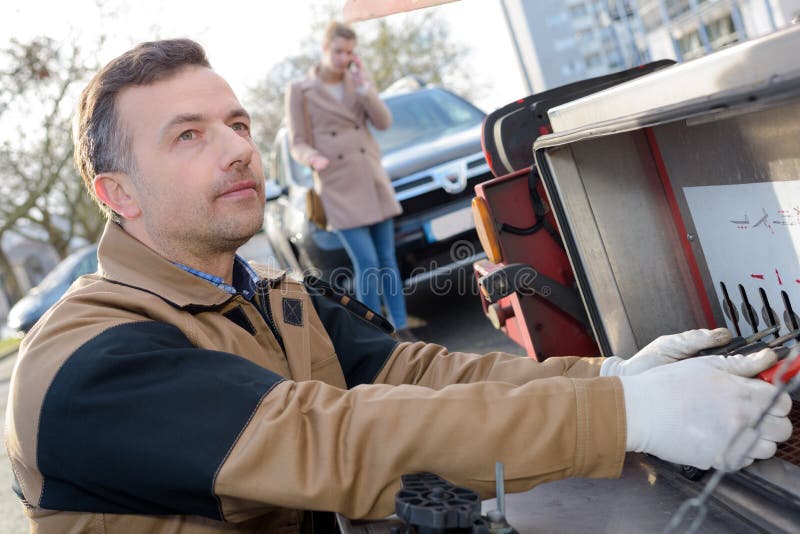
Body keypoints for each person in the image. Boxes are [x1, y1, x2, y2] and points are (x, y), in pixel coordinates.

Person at [5, 38, 791, 534]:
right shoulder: (89, 361)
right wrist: (624, 416)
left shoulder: (268, 291)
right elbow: (333, 438)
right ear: (119, 195)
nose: (237, 150)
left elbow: (419, 371)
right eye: (189, 135)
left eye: (238, 124)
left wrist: (610, 376)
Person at [285, 21, 414, 341]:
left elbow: (383, 122)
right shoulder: (301, 90)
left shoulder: (358, 80)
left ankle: (401, 326)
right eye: (339, 51)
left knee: (387, 258)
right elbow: (296, 142)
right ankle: (372, 332)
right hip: (337, 184)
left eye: (351, 52)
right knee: (367, 261)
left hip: (371, 178)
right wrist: (313, 157)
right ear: (325, 49)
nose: (345, 58)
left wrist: (364, 87)